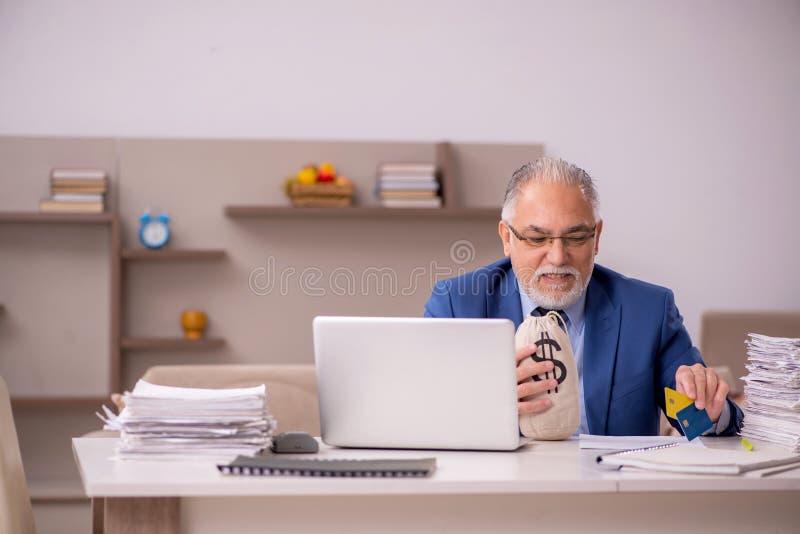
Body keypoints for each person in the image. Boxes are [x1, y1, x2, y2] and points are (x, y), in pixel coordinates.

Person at [424, 157, 743, 436]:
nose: (558, 257)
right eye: (537, 239)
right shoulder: (456, 305)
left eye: (576, 237)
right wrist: (484, 401)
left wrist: (707, 409)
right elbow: (421, 413)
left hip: (609, 497)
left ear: (597, 237)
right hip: (497, 493)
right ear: (507, 238)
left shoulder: (646, 313)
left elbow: (694, 420)